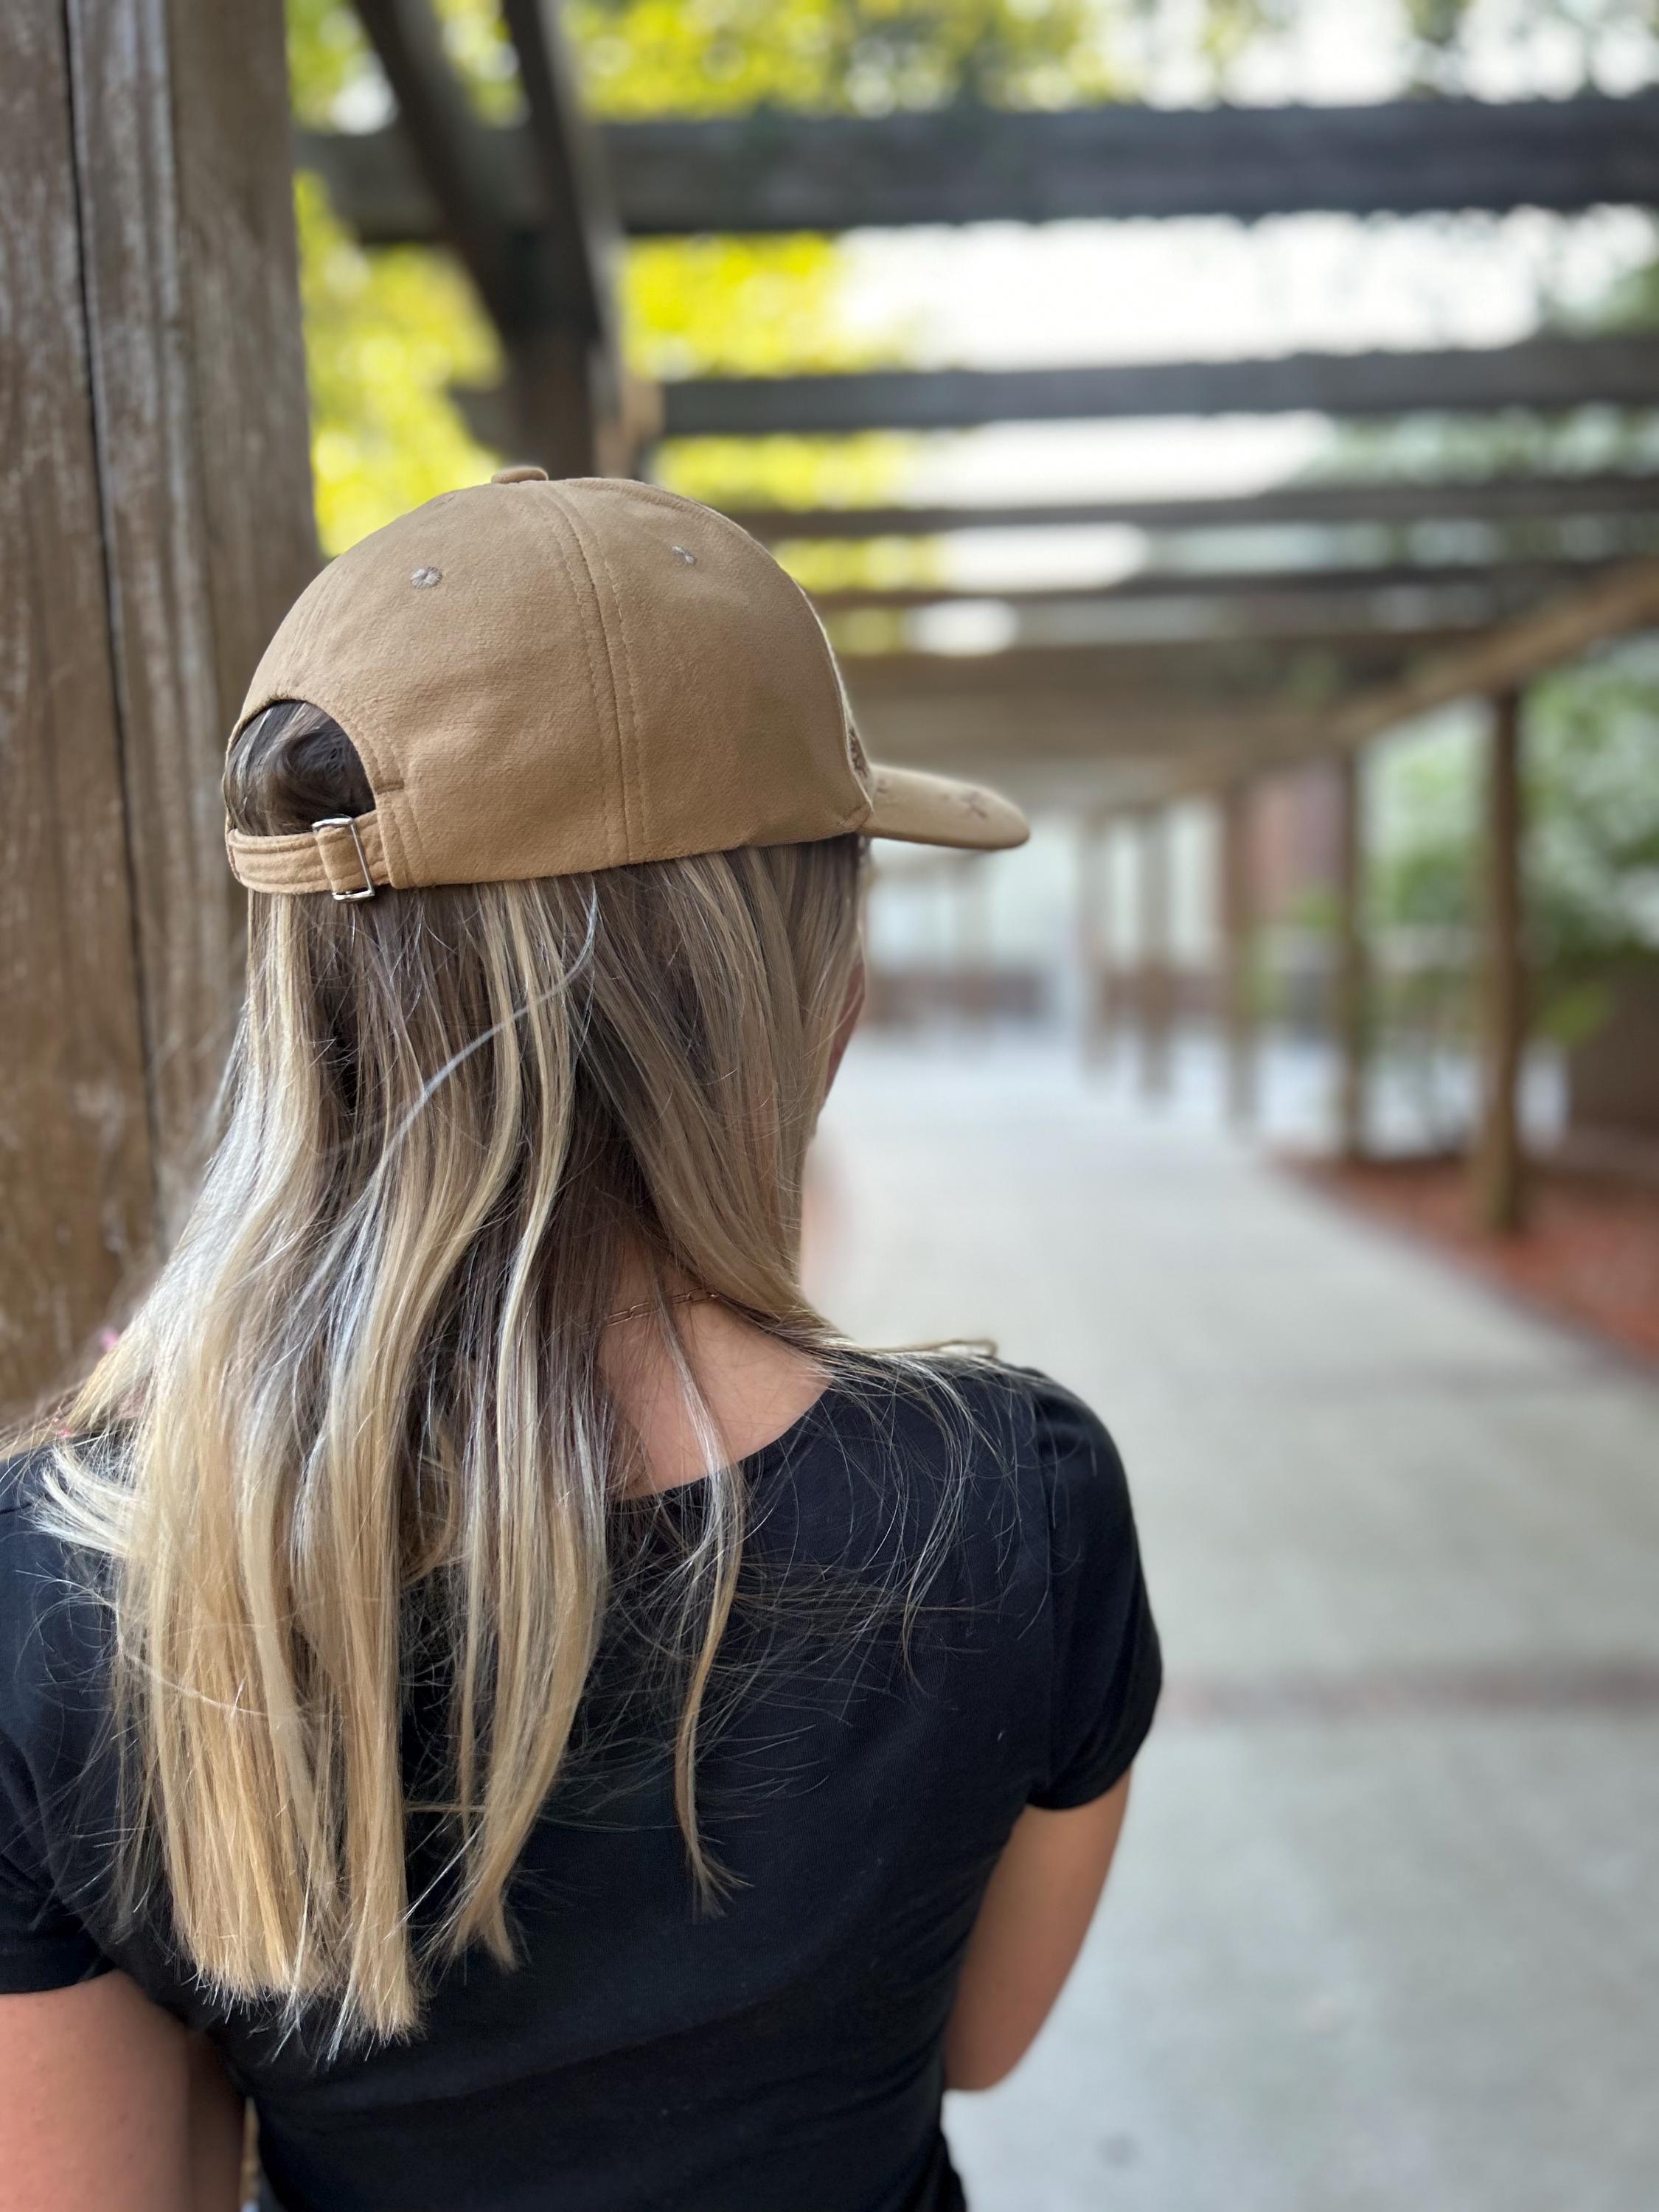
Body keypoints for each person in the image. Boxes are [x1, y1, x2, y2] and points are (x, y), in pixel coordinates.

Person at [0, 472, 1160, 2212]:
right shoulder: (1016, 1499)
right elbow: (982, 2038)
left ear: (302, 978)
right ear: (802, 987)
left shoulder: (71, 1579)